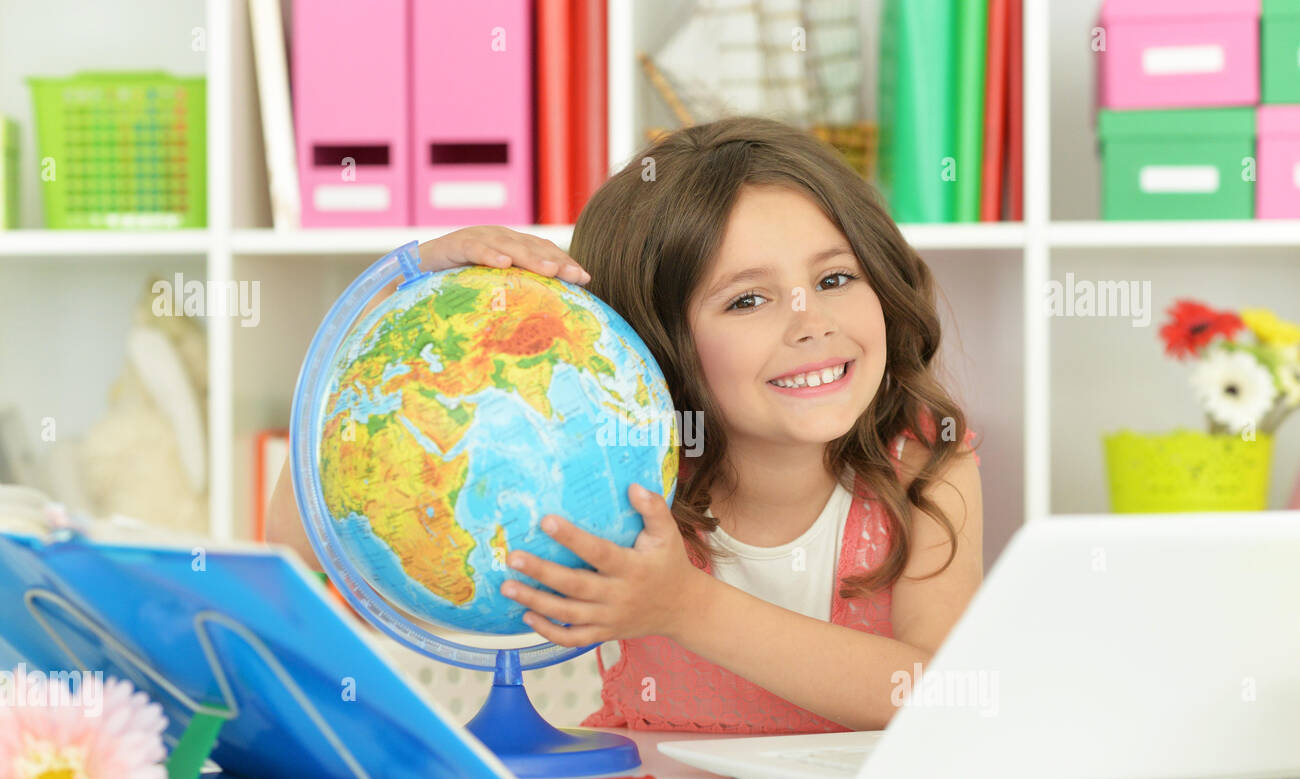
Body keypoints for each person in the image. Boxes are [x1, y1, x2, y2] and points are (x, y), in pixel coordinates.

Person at [267, 114, 982, 735]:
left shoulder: (923, 465)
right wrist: (408, 281)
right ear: (652, 343)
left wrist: (686, 606)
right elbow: (298, 539)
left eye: (833, 279)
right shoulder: (616, 466)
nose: (812, 324)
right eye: (747, 300)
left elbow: (934, 692)